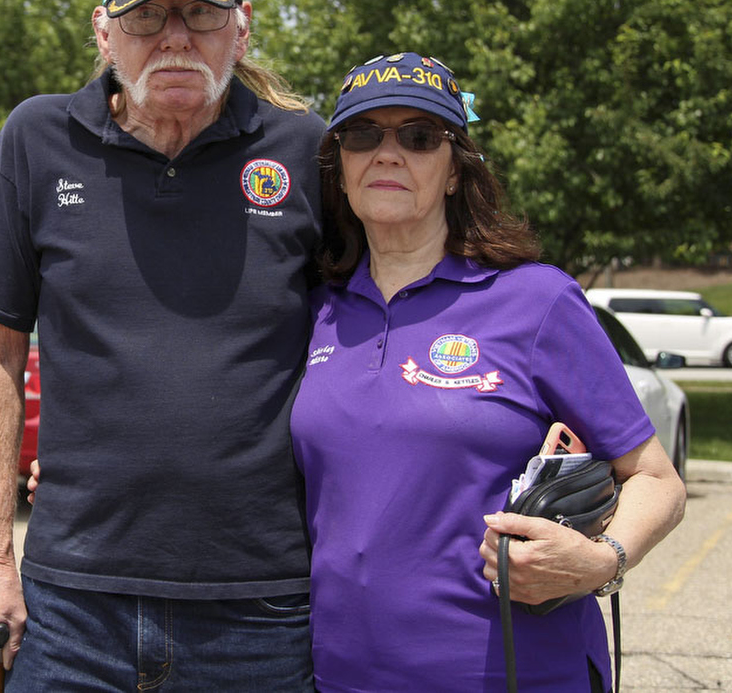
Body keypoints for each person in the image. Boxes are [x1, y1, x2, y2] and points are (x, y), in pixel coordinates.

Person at [0, 0, 324, 690]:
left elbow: (375, 329)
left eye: (202, 14)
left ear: (241, 31)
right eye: (147, 15)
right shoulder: (36, 140)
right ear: (105, 32)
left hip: (263, 608)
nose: (175, 37)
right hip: (71, 607)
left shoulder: (307, 151)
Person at [290, 52, 687, 691]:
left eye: (419, 137)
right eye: (364, 136)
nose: (388, 154)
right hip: (343, 674)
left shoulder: (536, 301)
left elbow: (655, 479)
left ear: (453, 172)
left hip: (519, 671)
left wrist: (599, 561)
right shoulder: (315, 310)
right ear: (341, 170)